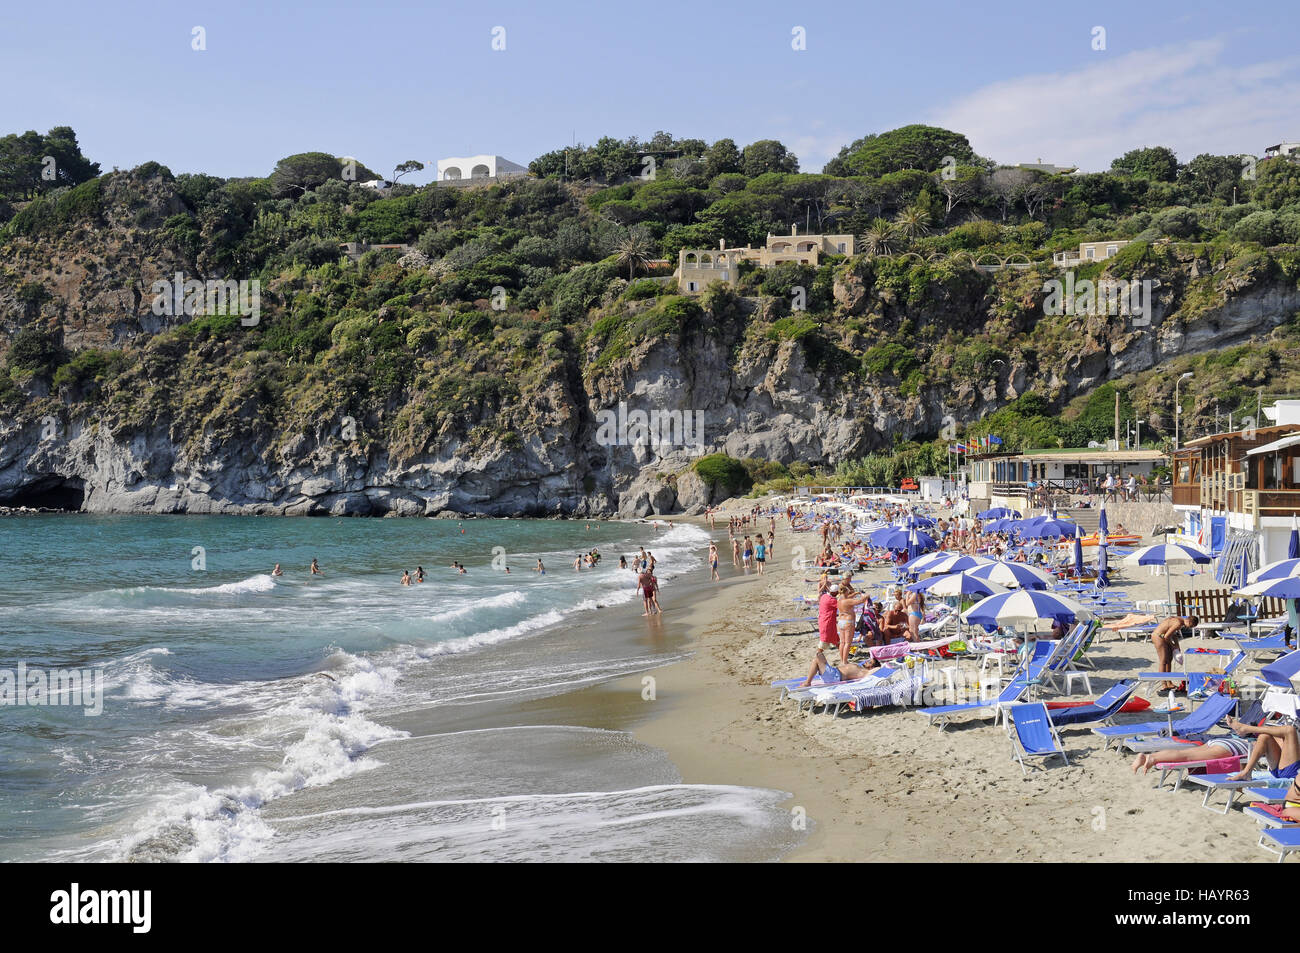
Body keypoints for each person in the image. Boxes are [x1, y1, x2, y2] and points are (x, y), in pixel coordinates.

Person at [1150, 614, 1198, 691]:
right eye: (1190, 626)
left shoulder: (1181, 620)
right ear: (1188, 621)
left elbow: (1174, 635)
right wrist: (1173, 646)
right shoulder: (1178, 623)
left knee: (1169, 659)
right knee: (1163, 661)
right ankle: (1163, 684)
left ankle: (1169, 682)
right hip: (1158, 636)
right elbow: (1166, 636)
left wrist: (1177, 646)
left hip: (1163, 636)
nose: (1189, 628)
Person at [796, 648, 880, 688]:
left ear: (871, 667)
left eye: (869, 662)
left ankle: (807, 682)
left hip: (834, 676)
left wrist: (882, 666)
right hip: (833, 673)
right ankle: (808, 681)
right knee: (818, 656)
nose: (866, 661)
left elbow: (879, 668)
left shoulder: (865, 672)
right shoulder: (860, 667)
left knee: (817, 658)